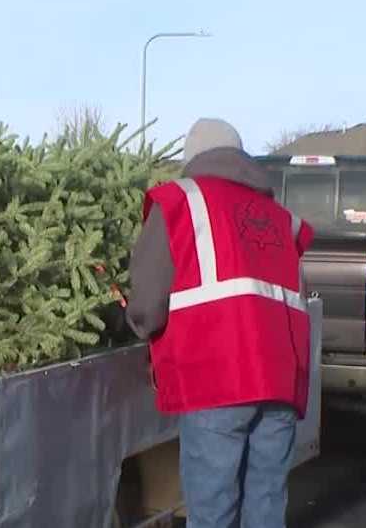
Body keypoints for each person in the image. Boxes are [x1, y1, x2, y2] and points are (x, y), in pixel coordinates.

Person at [125, 118, 314, 528]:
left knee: (212, 512)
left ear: (193, 158)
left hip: (219, 378)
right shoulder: (281, 219)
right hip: (281, 382)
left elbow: (149, 299)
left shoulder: (182, 200)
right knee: (265, 508)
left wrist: (138, 325)